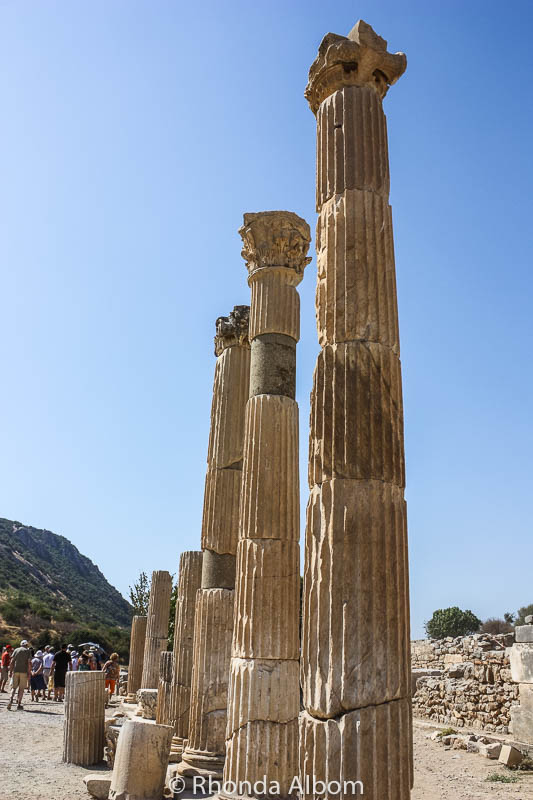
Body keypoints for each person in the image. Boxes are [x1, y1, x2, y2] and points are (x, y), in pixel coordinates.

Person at [7, 640, 32, 710]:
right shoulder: (28, 651)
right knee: (21, 689)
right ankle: (18, 704)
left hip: (15, 671)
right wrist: (29, 672)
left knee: (14, 687)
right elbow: (29, 662)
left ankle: (10, 700)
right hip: (24, 672)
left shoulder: (16, 650)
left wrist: (10, 671)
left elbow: (12, 661)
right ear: (26, 645)